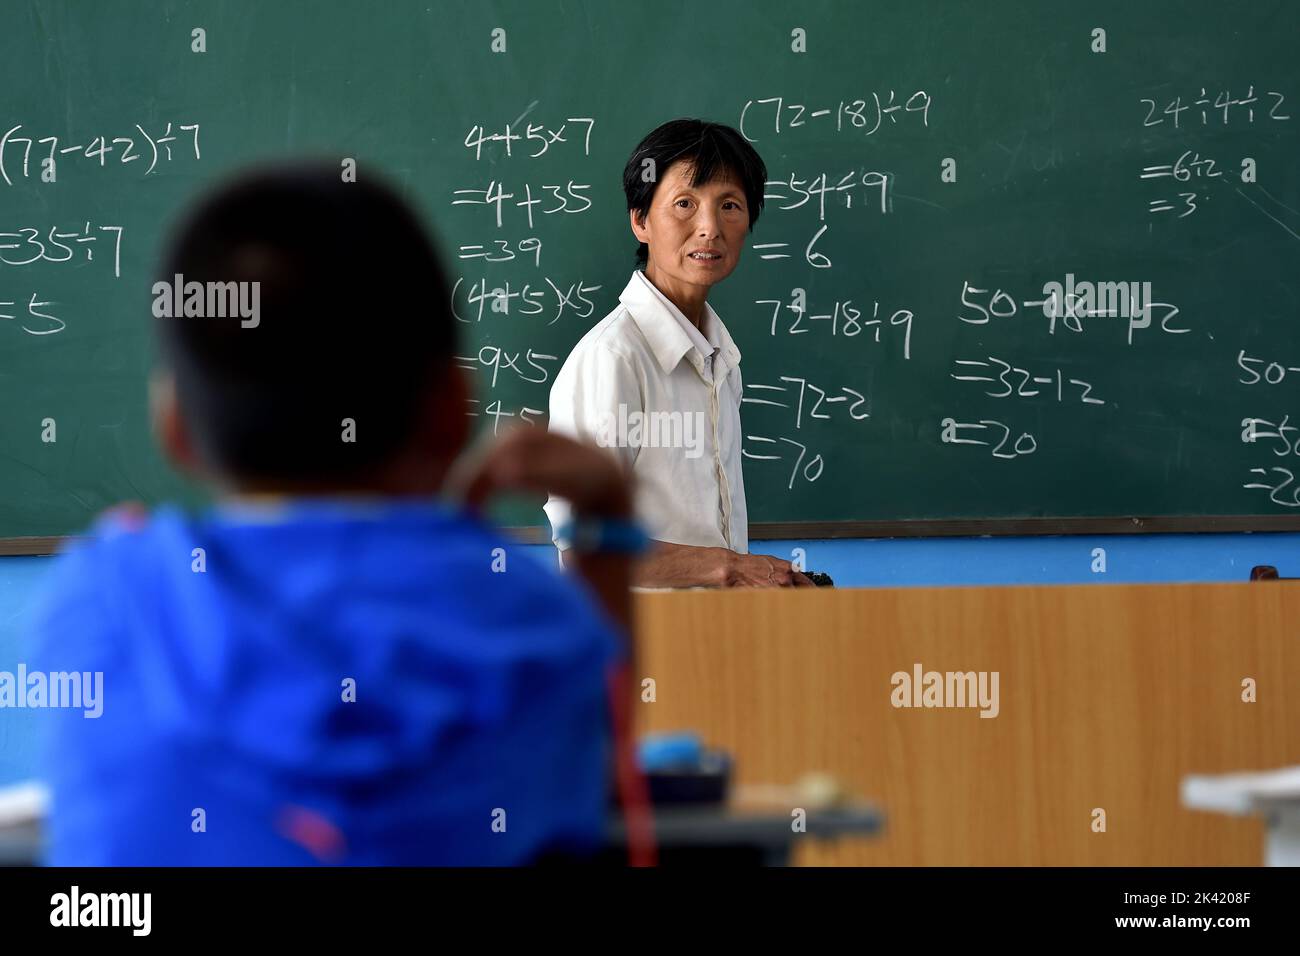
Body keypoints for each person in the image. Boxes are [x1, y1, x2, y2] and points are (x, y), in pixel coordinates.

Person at [28, 164, 645, 865]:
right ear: (451, 412)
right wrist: (607, 532)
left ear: (175, 428)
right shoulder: (535, 624)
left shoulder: (98, 606)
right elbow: (608, 806)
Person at [543, 119, 813, 588]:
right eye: (685, 204)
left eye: (729, 205)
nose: (709, 228)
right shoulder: (614, 359)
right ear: (641, 220)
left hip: (714, 641)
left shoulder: (719, 357)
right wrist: (730, 566)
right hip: (645, 649)